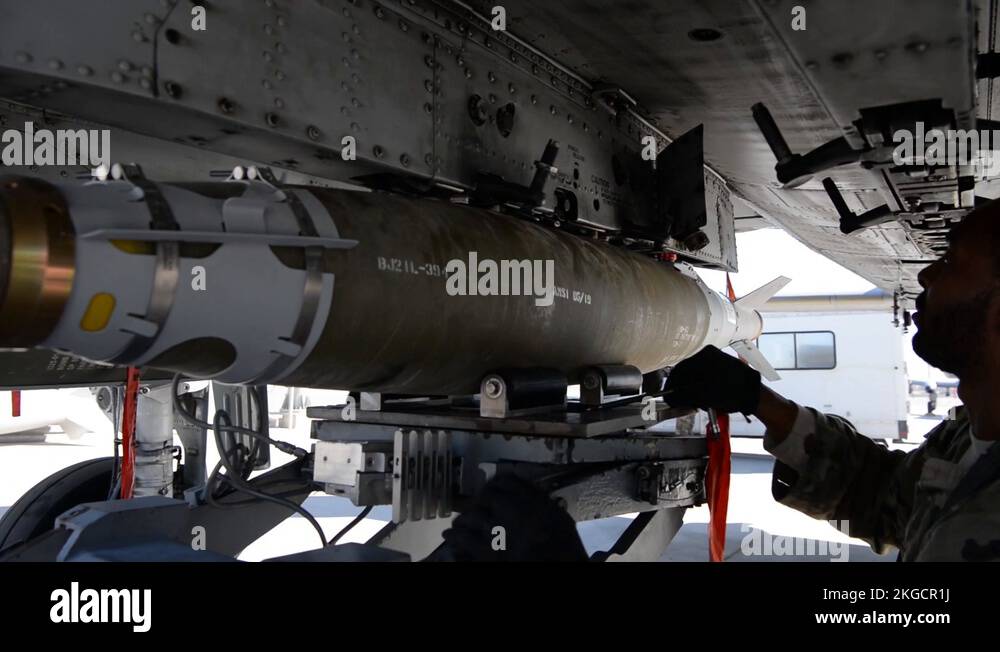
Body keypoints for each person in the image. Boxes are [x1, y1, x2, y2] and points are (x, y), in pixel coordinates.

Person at [664, 201, 1000, 561]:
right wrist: (757, 400)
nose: (926, 275)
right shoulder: (965, 439)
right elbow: (882, 494)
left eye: (951, 262)